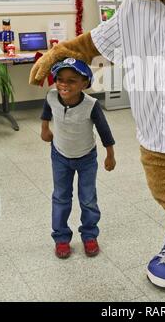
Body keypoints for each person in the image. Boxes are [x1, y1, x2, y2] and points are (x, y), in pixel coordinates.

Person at [40, 57, 116, 259]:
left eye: (72, 80)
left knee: (88, 199)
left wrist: (110, 155)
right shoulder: (51, 96)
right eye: (60, 79)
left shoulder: (91, 105)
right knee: (61, 197)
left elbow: (104, 131)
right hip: (60, 156)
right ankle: (61, 238)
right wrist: (44, 129)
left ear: (85, 83)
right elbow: (47, 112)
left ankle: (90, 235)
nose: (64, 84)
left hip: (86, 158)